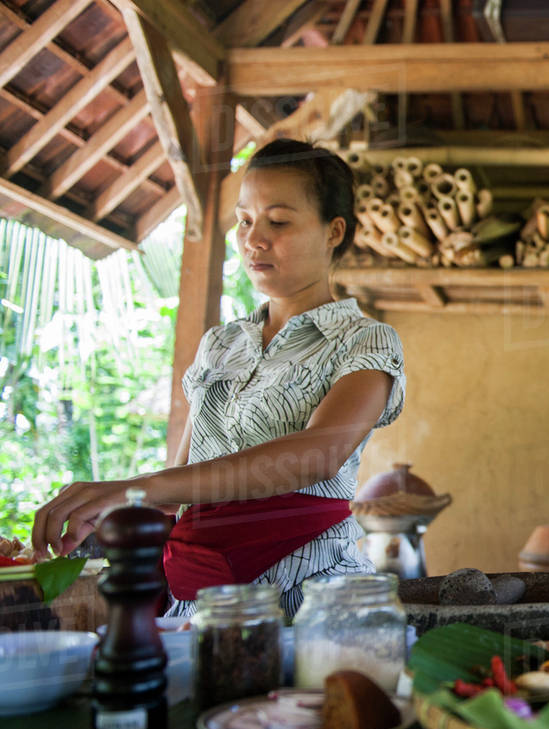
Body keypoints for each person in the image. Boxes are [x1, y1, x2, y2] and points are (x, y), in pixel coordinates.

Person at [32, 139, 406, 617]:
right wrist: (103, 512)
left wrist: (133, 487)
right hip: (200, 606)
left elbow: (318, 456)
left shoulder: (366, 340)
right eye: (245, 221)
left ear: (334, 231)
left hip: (310, 603)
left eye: (279, 221)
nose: (254, 239)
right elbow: (182, 485)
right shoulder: (221, 344)